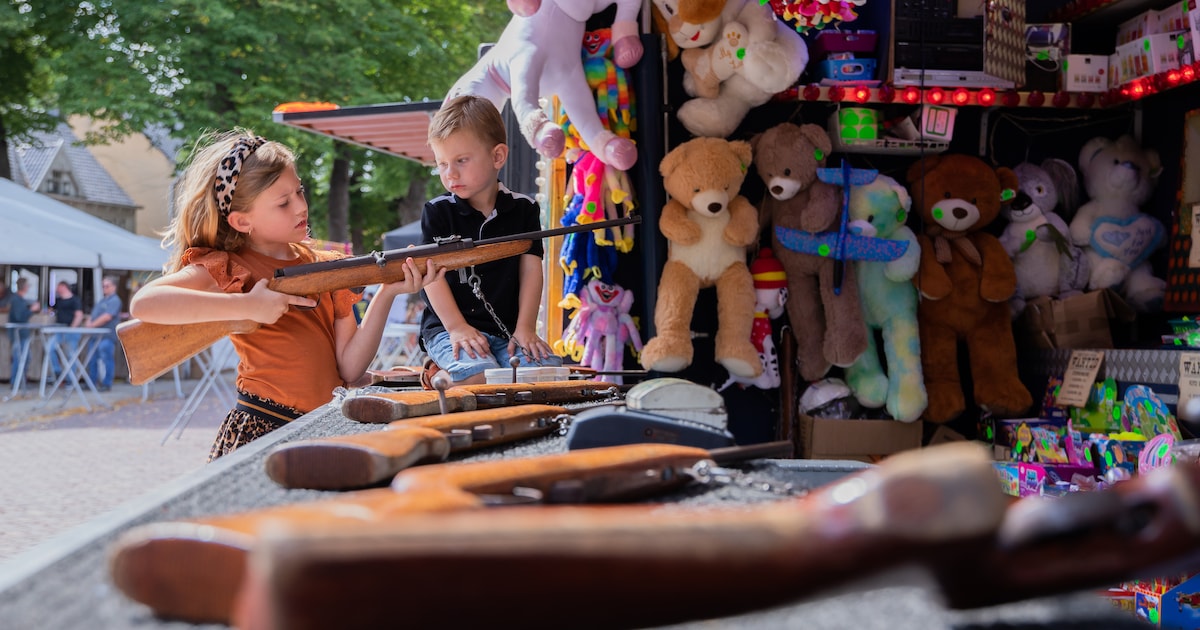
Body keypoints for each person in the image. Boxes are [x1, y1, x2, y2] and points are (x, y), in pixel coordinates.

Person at [130, 129, 444, 460]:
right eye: (283, 202)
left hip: (324, 426)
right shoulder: (229, 267)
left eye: (300, 192)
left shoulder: (328, 268)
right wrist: (247, 305)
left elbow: (350, 370)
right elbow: (145, 303)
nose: (300, 207)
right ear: (241, 221)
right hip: (264, 428)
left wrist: (386, 293)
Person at [419, 95, 561, 386]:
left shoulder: (524, 209)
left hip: (508, 331)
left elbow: (531, 270)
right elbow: (430, 277)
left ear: (497, 156)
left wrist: (525, 328)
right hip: (449, 328)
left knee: (546, 376)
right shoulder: (438, 212)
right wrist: (457, 327)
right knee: (480, 376)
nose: (450, 173)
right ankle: (439, 374)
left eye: (461, 160)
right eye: (442, 163)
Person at [85, 275, 122, 392]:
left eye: (107, 286)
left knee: (106, 358)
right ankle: (92, 382)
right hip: (96, 335)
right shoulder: (102, 300)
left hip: (107, 336)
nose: (104, 288)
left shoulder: (115, 300)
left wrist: (91, 325)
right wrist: (88, 322)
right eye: (103, 286)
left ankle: (107, 383)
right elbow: (93, 314)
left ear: (114, 287)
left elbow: (107, 317)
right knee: (92, 359)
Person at [6, 277, 41, 386]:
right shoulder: (17, 299)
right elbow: (20, 317)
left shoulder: (18, 299)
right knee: (20, 358)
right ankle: (16, 382)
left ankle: (19, 381)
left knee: (24, 358)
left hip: (21, 334)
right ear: (25, 287)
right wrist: (32, 310)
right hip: (19, 334)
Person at [48, 281, 84, 379]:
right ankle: (57, 371)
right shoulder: (58, 300)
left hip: (71, 330)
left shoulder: (75, 300)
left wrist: (72, 328)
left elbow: (79, 315)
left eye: (58, 287)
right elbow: (50, 310)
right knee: (49, 348)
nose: (56, 289)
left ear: (64, 287)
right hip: (59, 329)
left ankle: (70, 379)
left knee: (70, 355)